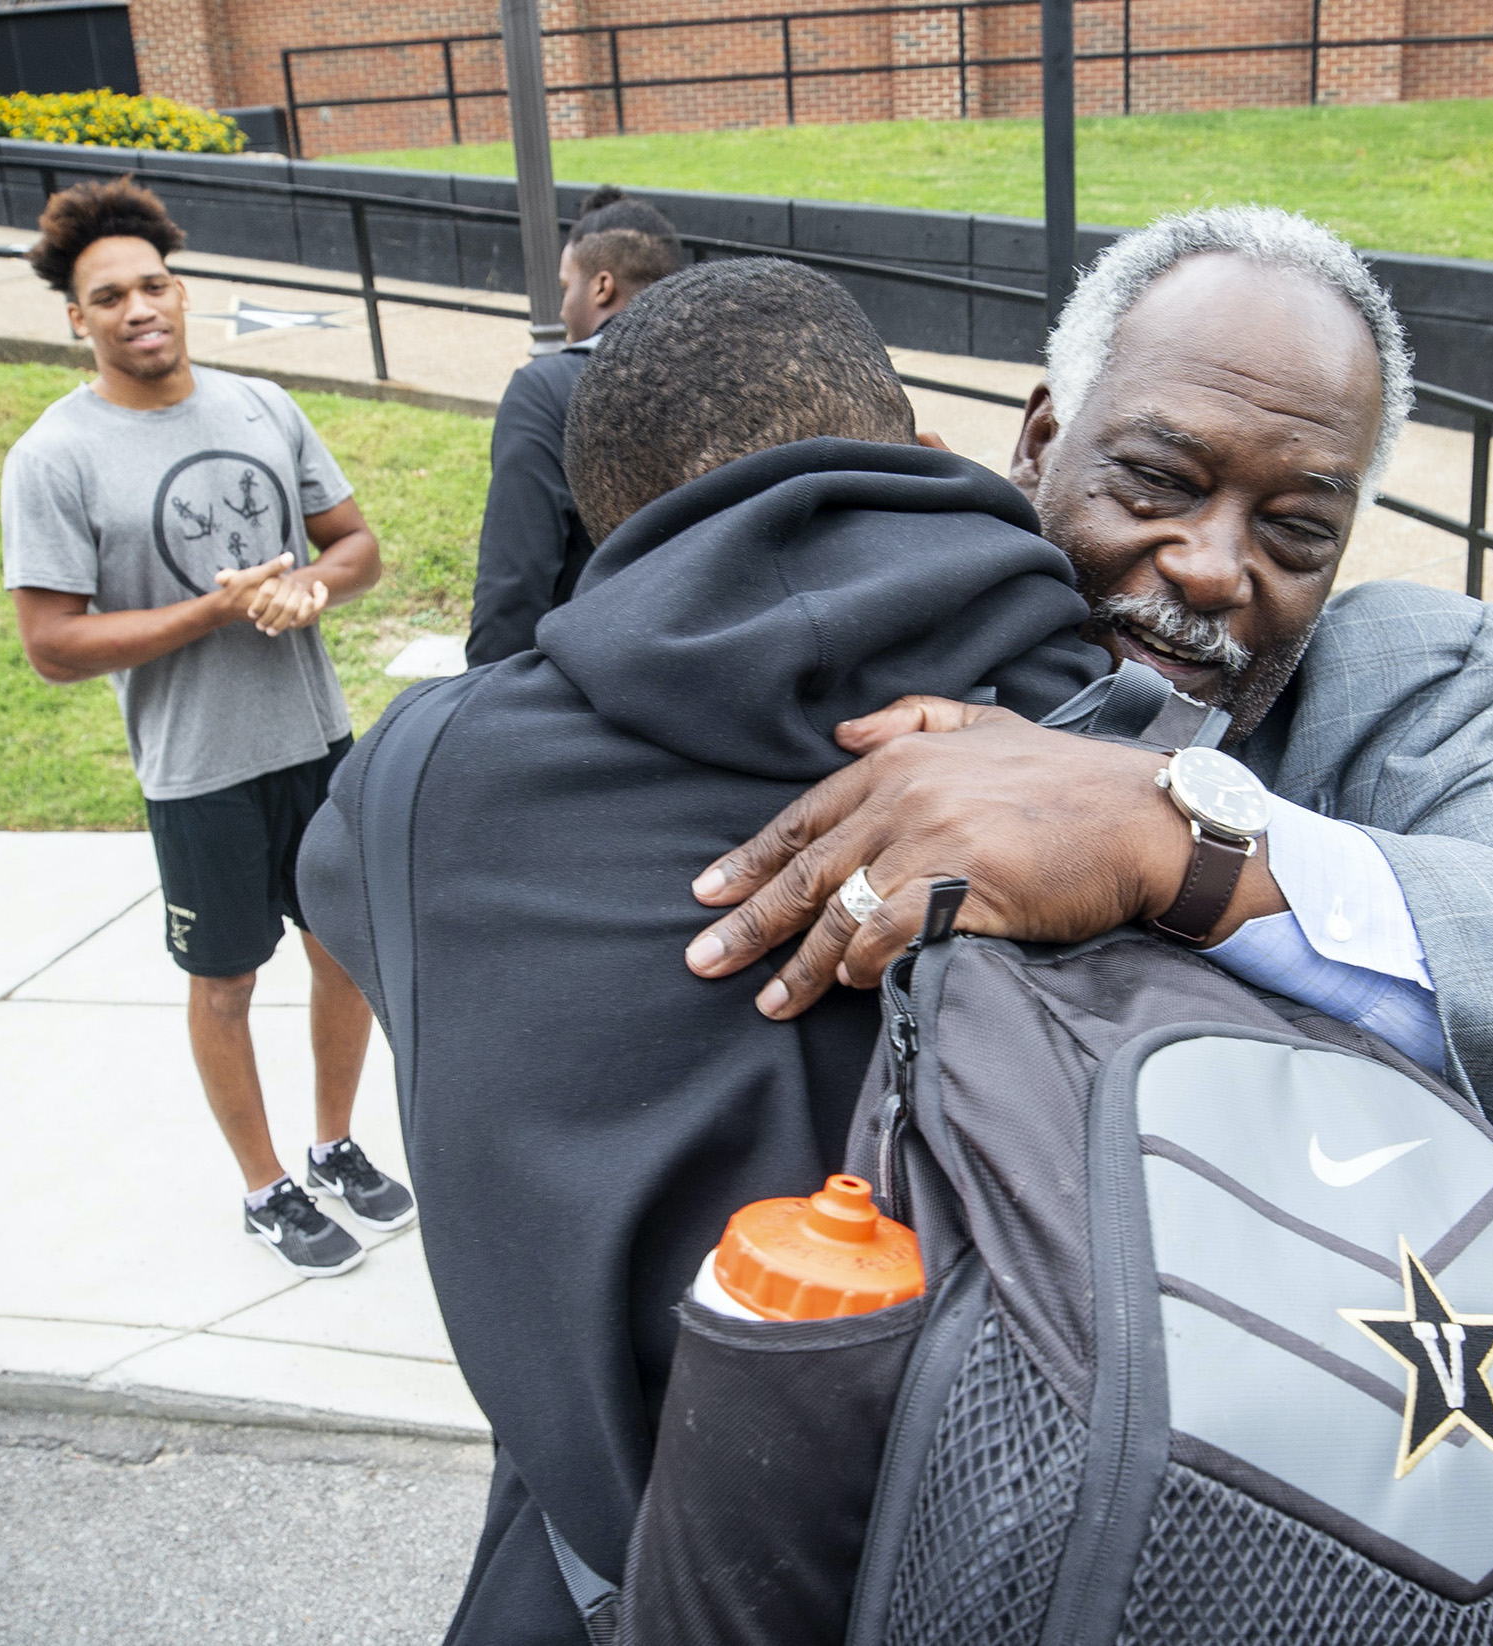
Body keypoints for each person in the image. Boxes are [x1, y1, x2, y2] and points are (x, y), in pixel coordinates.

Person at [297, 257, 1105, 1643]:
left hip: (614, 1584)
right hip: (1056, 1574)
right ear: (919, 445)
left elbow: (335, 906)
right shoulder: (1124, 745)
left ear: (608, 527)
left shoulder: (426, 782)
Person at [685, 206, 1493, 1192]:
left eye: (1296, 528)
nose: (1213, 566)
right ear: (1041, 440)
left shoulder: (1401, 680)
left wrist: (1176, 845)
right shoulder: (863, 628)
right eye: (1155, 480)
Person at [2, 177, 416, 1279]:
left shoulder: (261, 406)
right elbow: (50, 644)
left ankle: (333, 1142)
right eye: (108, 296)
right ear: (75, 318)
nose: (139, 308)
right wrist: (211, 609)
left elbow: (357, 545)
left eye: (153, 283)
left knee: (346, 956)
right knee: (225, 981)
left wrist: (313, 590)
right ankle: (264, 1183)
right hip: (197, 770)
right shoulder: (55, 456)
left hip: (314, 740)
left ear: (179, 291)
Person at [466, 186, 686, 665]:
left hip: (596, 686)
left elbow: (516, 579)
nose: (564, 308)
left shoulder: (545, 390)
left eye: (567, 288)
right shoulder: (737, 380)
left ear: (602, 287)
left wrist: (480, 709)